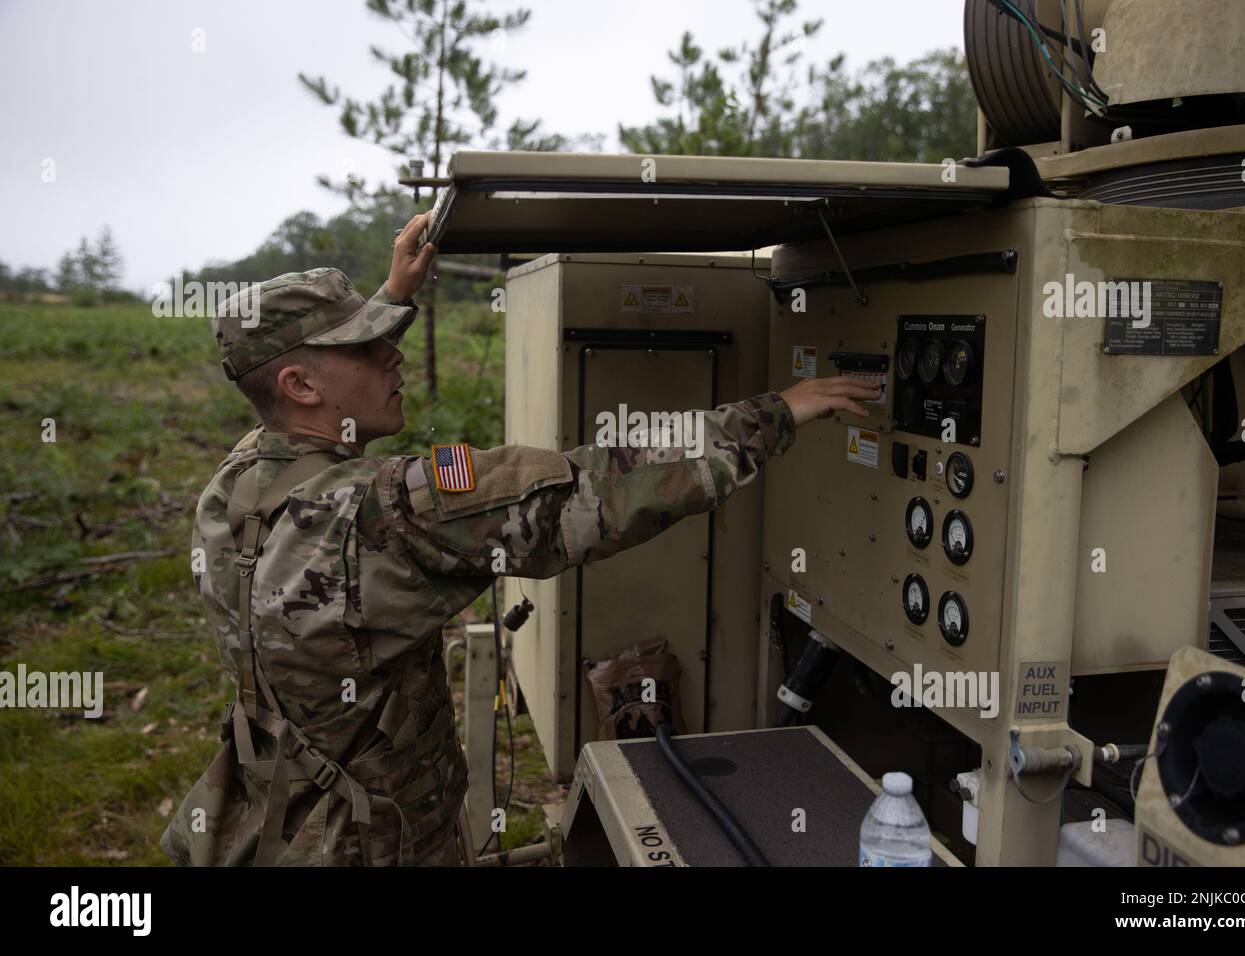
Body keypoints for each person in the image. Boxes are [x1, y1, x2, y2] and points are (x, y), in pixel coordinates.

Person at [161, 212, 879, 866]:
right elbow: (594, 487)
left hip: (281, 818)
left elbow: (307, 384)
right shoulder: (387, 511)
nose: (394, 358)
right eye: (367, 348)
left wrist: (394, 298)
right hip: (378, 845)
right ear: (301, 386)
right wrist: (778, 411)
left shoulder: (239, 482)